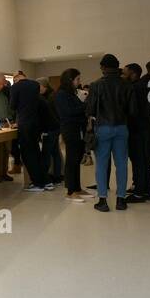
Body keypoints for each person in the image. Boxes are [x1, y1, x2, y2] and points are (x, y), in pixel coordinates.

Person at [85, 54, 134, 212]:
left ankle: (103, 201)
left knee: (101, 164)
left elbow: (90, 109)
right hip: (121, 127)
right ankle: (121, 200)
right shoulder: (127, 84)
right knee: (121, 164)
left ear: (103, 67)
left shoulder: (96, 85)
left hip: (103, 128)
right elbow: (132, 110)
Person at [9, 72, 53, 192]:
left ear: (16, 79)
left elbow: (12, 106)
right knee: (36, 152)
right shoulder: (35, 85)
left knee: (28, 154)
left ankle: (37, 183)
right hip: (36, 124)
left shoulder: (15, 87)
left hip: (24, 124)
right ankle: (46, 181)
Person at [55, 69, 93, 202]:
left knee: (77, 160)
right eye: (77, 79)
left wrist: (84, 106)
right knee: (71, 161)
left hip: (78, 130)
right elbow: (69, 112)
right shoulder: (61, 94)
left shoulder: (71, 93)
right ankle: (70, 192)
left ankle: (77, 188)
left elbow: (78, 109)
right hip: (70, 130)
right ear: (70, 80)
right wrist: (86, 105)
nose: (79, 82)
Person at [123, 63, 150, 203]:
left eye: (125, 72)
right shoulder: (143, 85)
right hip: (143, 127)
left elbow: (132, 111)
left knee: (138, 160)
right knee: (143, 160)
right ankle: (146, 190)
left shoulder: (135, 88)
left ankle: (139, 192)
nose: (123, 75)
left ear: (133, 73)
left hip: (136, 129)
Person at [37, 77, 63, 185]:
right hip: (56, 127)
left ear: (44, 86)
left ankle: (45, 177)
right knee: (55, 152)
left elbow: (47, 116)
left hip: (50, 128)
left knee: (47, 153)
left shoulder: (48, 98)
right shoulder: (53, 95)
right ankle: (57, 175)